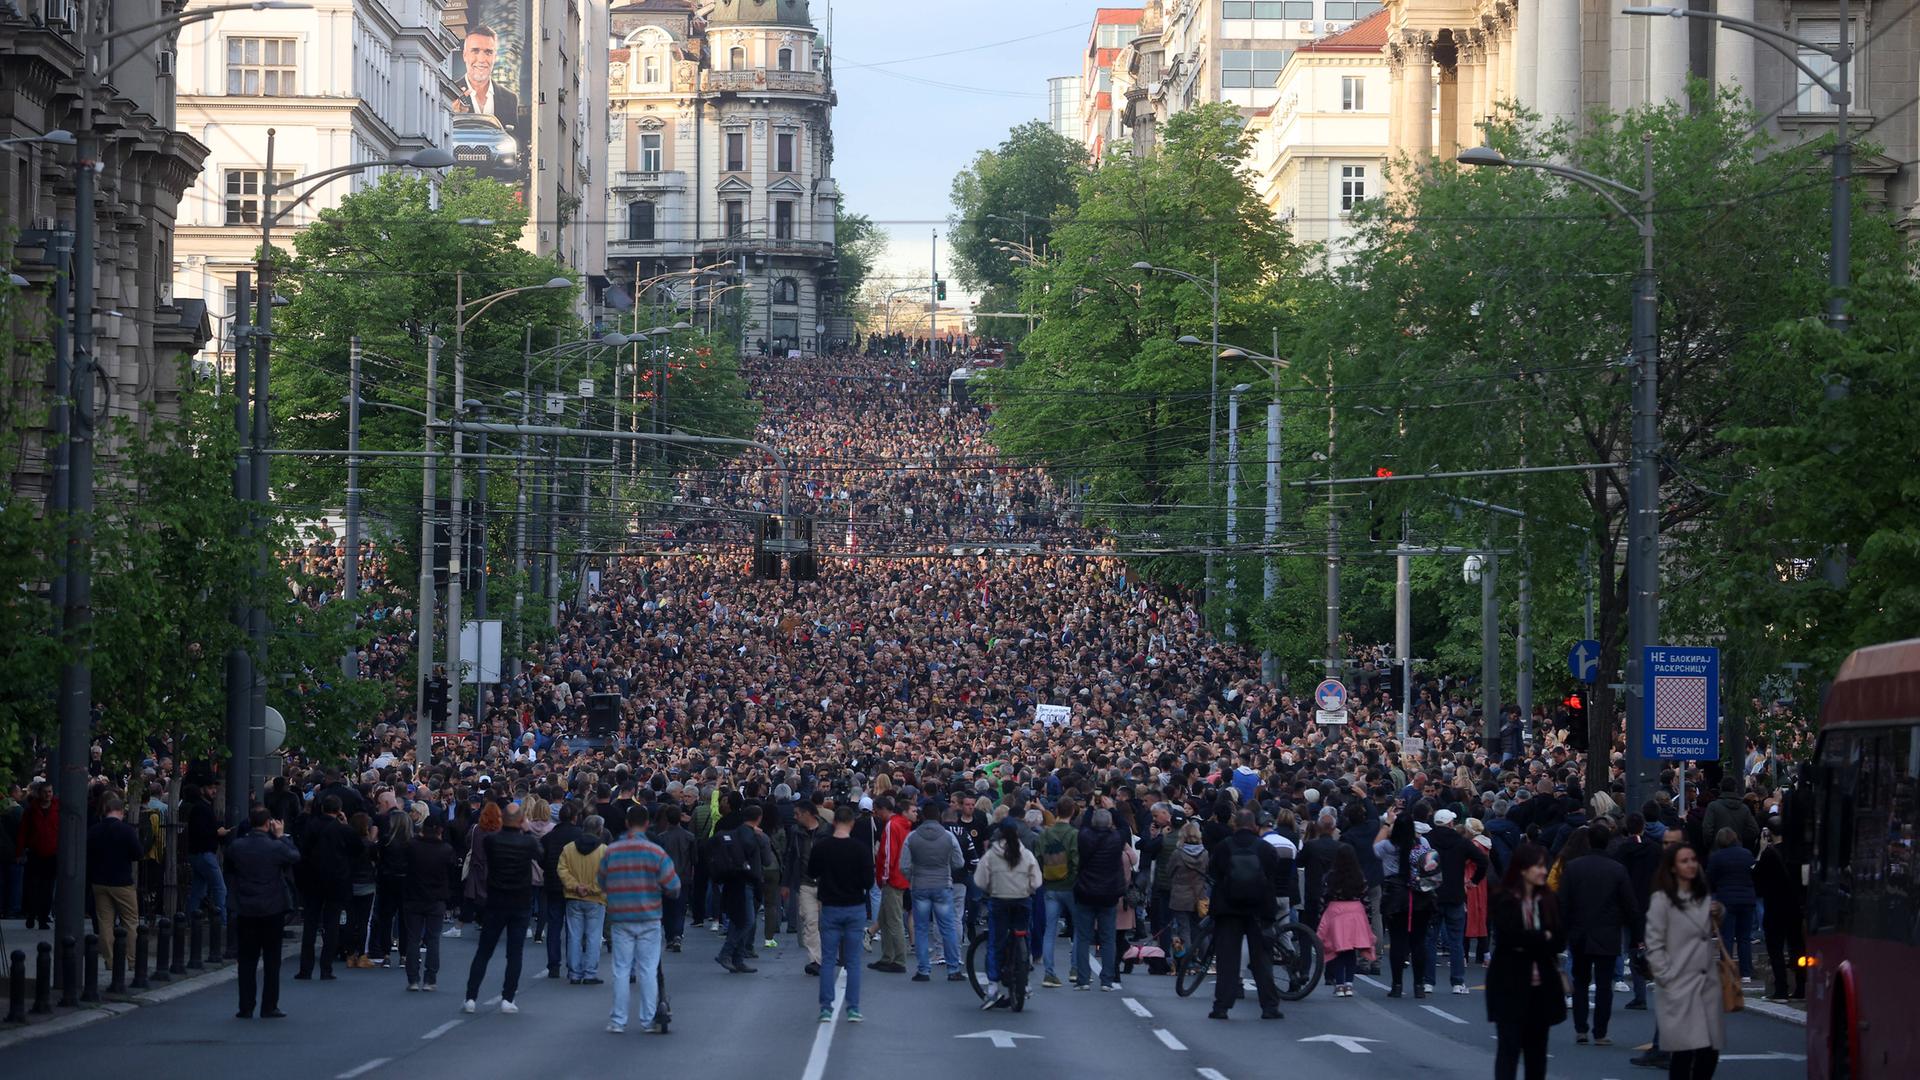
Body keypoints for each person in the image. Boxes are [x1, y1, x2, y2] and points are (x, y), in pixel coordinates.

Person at [1645, 844, 1726, 1080]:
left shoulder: (1701, 896)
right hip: (1678, 984)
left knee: (1709, 1050)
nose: (1691, 864)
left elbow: (1710, 930)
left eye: (1693, 859)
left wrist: (1718, 911)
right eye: (1684, 861)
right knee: (1684, 1052)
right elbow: (1655, 944)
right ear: (1672, 867)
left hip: (1705, 984)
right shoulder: (1662, 900)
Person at [1486, 844, 1566, 1080]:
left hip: (1541, 988)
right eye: (1538, 866)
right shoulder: (1505, 898)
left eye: (1544, 865)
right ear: (1522, 869)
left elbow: (1560, 939)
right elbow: (1510, 936)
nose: (1543, 871)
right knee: (1508, 1049)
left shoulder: (1548, 900)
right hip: (1510, 986)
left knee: (1537, 1053)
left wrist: (1536, 940)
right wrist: (1542, 937)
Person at [1558, 822, 1642, 1045]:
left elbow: (1563, 903)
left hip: (1579, 933)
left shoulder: (1573, 867)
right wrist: (1636, 936)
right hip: (1608, 932)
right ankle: (1600, 1031)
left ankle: (1581, 1028)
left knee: (1581, 981)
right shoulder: (1616, 869)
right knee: (1605, 986)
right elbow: (1630, 906)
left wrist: (1562, 932)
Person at [600, 804, 680, 1034]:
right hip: (649, 915)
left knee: (621, 970)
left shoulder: (612, 851)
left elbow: (602, 881)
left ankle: (618, 1020)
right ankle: (647, 1020)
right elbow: (673, 886)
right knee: (647, 969)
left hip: (622, 917)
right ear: (647, 824)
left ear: (626, 823)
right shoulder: (655, 852)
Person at [1204, 808, 1285, 1021]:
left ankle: (1222, 1006)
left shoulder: (1224, 847)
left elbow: (1213, 873)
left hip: (1228, 909)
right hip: (1259, 909)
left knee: (1227, 960)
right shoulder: (1265, 849)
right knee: (1261, 960)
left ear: (1235, 824)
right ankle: (1269, 1005)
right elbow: (1271, 875)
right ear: (1255, 826)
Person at [463, 802, 542, 1014]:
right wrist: (527, 831)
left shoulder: (492, 840)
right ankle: (508, 997)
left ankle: (471, 997)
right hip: (520, 901)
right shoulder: (528, 843)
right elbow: (540, 855)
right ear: (520, 821)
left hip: (496, 900)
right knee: (514, 953)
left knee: (484, 950)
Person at [228, 806, 300, 1019]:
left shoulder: (237, 846)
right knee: (272, 960)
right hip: (272, 907)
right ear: (269, 824)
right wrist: (281, 837)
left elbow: (230, 868)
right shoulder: (275, 847)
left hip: (246, 907)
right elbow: (294, 856)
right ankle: (269, 1005)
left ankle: (246, 1005)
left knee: (247, 960)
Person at [811, 802, 876, 1023]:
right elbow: (869, 881)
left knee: (828, 959)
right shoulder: (860, 849)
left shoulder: (822, 846)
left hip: (830, 905)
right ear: (852, 823)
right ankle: (853, 1008)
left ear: (834, 821)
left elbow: (812, 871)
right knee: (853, 961)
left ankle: (826, 1007)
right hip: (854, 906)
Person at [973, 817, 1042, 1008]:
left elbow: (979, 880)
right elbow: (1037, 881)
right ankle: (1024, 979)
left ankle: (993, 988)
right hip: (1022, 900)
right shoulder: (1026, 854)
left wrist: (990, 888)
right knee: (1024, 935)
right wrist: (1028, 888)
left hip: (999, 900)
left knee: (996, 942)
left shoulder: (991, 855)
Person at [899, 798, 964, 982]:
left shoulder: (912, 837)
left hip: (919, 884)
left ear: (921, 816)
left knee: (920, 928)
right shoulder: (948, 837)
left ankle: (923, 969)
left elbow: (904, 865)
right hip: (943, 883)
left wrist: (913, 877)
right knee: (948, 927)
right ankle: (953, 968)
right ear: (938, 817)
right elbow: (959, 862)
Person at [1376, 804, 1437, 998]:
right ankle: (1419, 986)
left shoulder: (1388, 846)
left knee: (1398, 942)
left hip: (1396, 898)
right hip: (1421, 897)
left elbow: (1374, 848)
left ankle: (1396, 985)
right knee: (1418, 942)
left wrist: (1387, 824)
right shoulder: (1423, 846)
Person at [1428, 806, 1488, 995]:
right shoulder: (1461, 842)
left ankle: (1428, 981)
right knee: (1455, 940)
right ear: (1450, 823)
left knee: (1430, 940)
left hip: (1433, 894)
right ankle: (1458, 982)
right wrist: (1474, 880)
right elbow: (1483, 860)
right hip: (1455, 894)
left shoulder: (1428, 840)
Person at [294, 795, 353, 980]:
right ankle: (326, 968)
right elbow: (357, 848)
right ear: (339, 810)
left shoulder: (311, 825)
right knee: (332, 924)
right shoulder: (340, 829)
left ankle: (306, 968)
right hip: (336, 881)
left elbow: (303, 850)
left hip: (313, 880)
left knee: (310, 924)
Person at [86, 794, 143, 975]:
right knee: (130, 921)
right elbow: (137, 854)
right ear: (120, 811)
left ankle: (110, 961)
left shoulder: (94, 830)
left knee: (105, 922)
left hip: (99, 881)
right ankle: (132, 960)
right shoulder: (126, 831)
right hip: (122, 882)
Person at [1072, 807, 1128, 992]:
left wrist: (1089, 807)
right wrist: (1113, 807)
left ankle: (1083, 979)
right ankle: (1107, 979)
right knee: (1108, 938)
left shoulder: (1085, 837)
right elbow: (1124, 827)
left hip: (1086, 891)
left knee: (1082, 937)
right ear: (1110, 823)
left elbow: (1083, 826)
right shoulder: (1116, 839)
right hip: (1109, 892)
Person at [1751, 818, 1805, 1002]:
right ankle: (1801, 987)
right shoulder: (1797, 853)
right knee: (1797, 947)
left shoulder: (1769, 854)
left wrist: (1760, 851)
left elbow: (1756, 878)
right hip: (1795, 906)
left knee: (1775, 949)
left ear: (1769, 832)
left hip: (1775, 905)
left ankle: (1781, 989)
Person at [399, 816, 454, 991]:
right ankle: (430, 979)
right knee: (433, 939)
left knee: (413, 939)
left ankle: (413, 979)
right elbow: (450, 873)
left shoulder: (412, 846)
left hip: (414, 897)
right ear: (440, 830)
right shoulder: (446, 850)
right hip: (436, 899)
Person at [710, 802, 764, 974]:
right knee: (747, 920)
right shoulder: (751, 836)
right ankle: (727, 953)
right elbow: (763, 858)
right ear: (759, 818)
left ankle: (737, 958)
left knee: (738, 920)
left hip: (735, 881)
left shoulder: (736, 833)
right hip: (745, 881)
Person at [1317, 844, 1376, 998]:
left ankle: (1340, 983)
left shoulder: (1331, 876)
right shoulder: (1359, 876)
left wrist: (1321, 916)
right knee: (1351, 950)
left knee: (1337, 949)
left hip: (1336, 913)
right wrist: (1368, 921)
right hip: (1356, 912)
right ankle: (1349, 983)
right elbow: (1366, 899)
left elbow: (1324, 897)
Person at [559, 814, 609, 985]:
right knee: (594, 936)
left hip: (573, 896)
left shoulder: (568, 849)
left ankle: (574, 972)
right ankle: (590, 973)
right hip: (596, 899)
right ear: (599, 829)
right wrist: (592, 888)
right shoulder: (604, 851)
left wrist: (575, 886)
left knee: (574, 935)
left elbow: (562, 870)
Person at [1035, 796, 1080, 988]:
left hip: (1050, 885)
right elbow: (1077, 861)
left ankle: (1049, 973)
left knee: (1049, 931)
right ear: (1072, 812)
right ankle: (1075, 969)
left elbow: (1038, 857)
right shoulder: (1074, 834)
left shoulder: (1045, 834)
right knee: (1079, 929)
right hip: (1070, 886)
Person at [1705, 827, 1756, 983]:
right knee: (1744, 938)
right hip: (1746, 899)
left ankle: (1727, 971)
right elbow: (1753, 873)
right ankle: (1746, 972)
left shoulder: (1717, 857)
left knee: (1726, 937)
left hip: (1726, 899)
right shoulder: (1747, 854)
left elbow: (1710, 879)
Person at [784, 799, 829, 975]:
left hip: (826, 884)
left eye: (797, 814)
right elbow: (791, 857)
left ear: (807, 814)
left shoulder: (827, 832)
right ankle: (816, 960)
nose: (795, 817)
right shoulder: (796, 832)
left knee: (827, 922)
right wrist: (786, 883)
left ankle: (829, 954)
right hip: (805, 882)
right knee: (810, 922)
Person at [870, 795, 911, 975]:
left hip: (892, 878)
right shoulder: (901, 825)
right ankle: (888, 957)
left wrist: (884, 877)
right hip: (899, 877)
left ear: (880, 809)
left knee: (892, 921)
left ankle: (898, 959)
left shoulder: (891, 826)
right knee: (886, 920)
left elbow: (887, 854)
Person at [184, 782, 230, 929]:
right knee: (219, 888)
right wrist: (217, 832)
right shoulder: (201, 808)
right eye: (210, 788)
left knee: (198, 889)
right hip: (204, 853)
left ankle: (190, 919)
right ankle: (222, 922)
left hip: (198, 853)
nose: (214, 791)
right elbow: (201, 832)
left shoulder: (201, 807)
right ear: (202, 789)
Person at [1167, 820, 1210, 974]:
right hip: (1199, 896)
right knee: (1200, 930)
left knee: (1183, 929)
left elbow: (1169, 871)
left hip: (1180, 896)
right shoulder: (1204, 854)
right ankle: (1206, 959)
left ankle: (1187, 961)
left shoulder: (1178, 853)